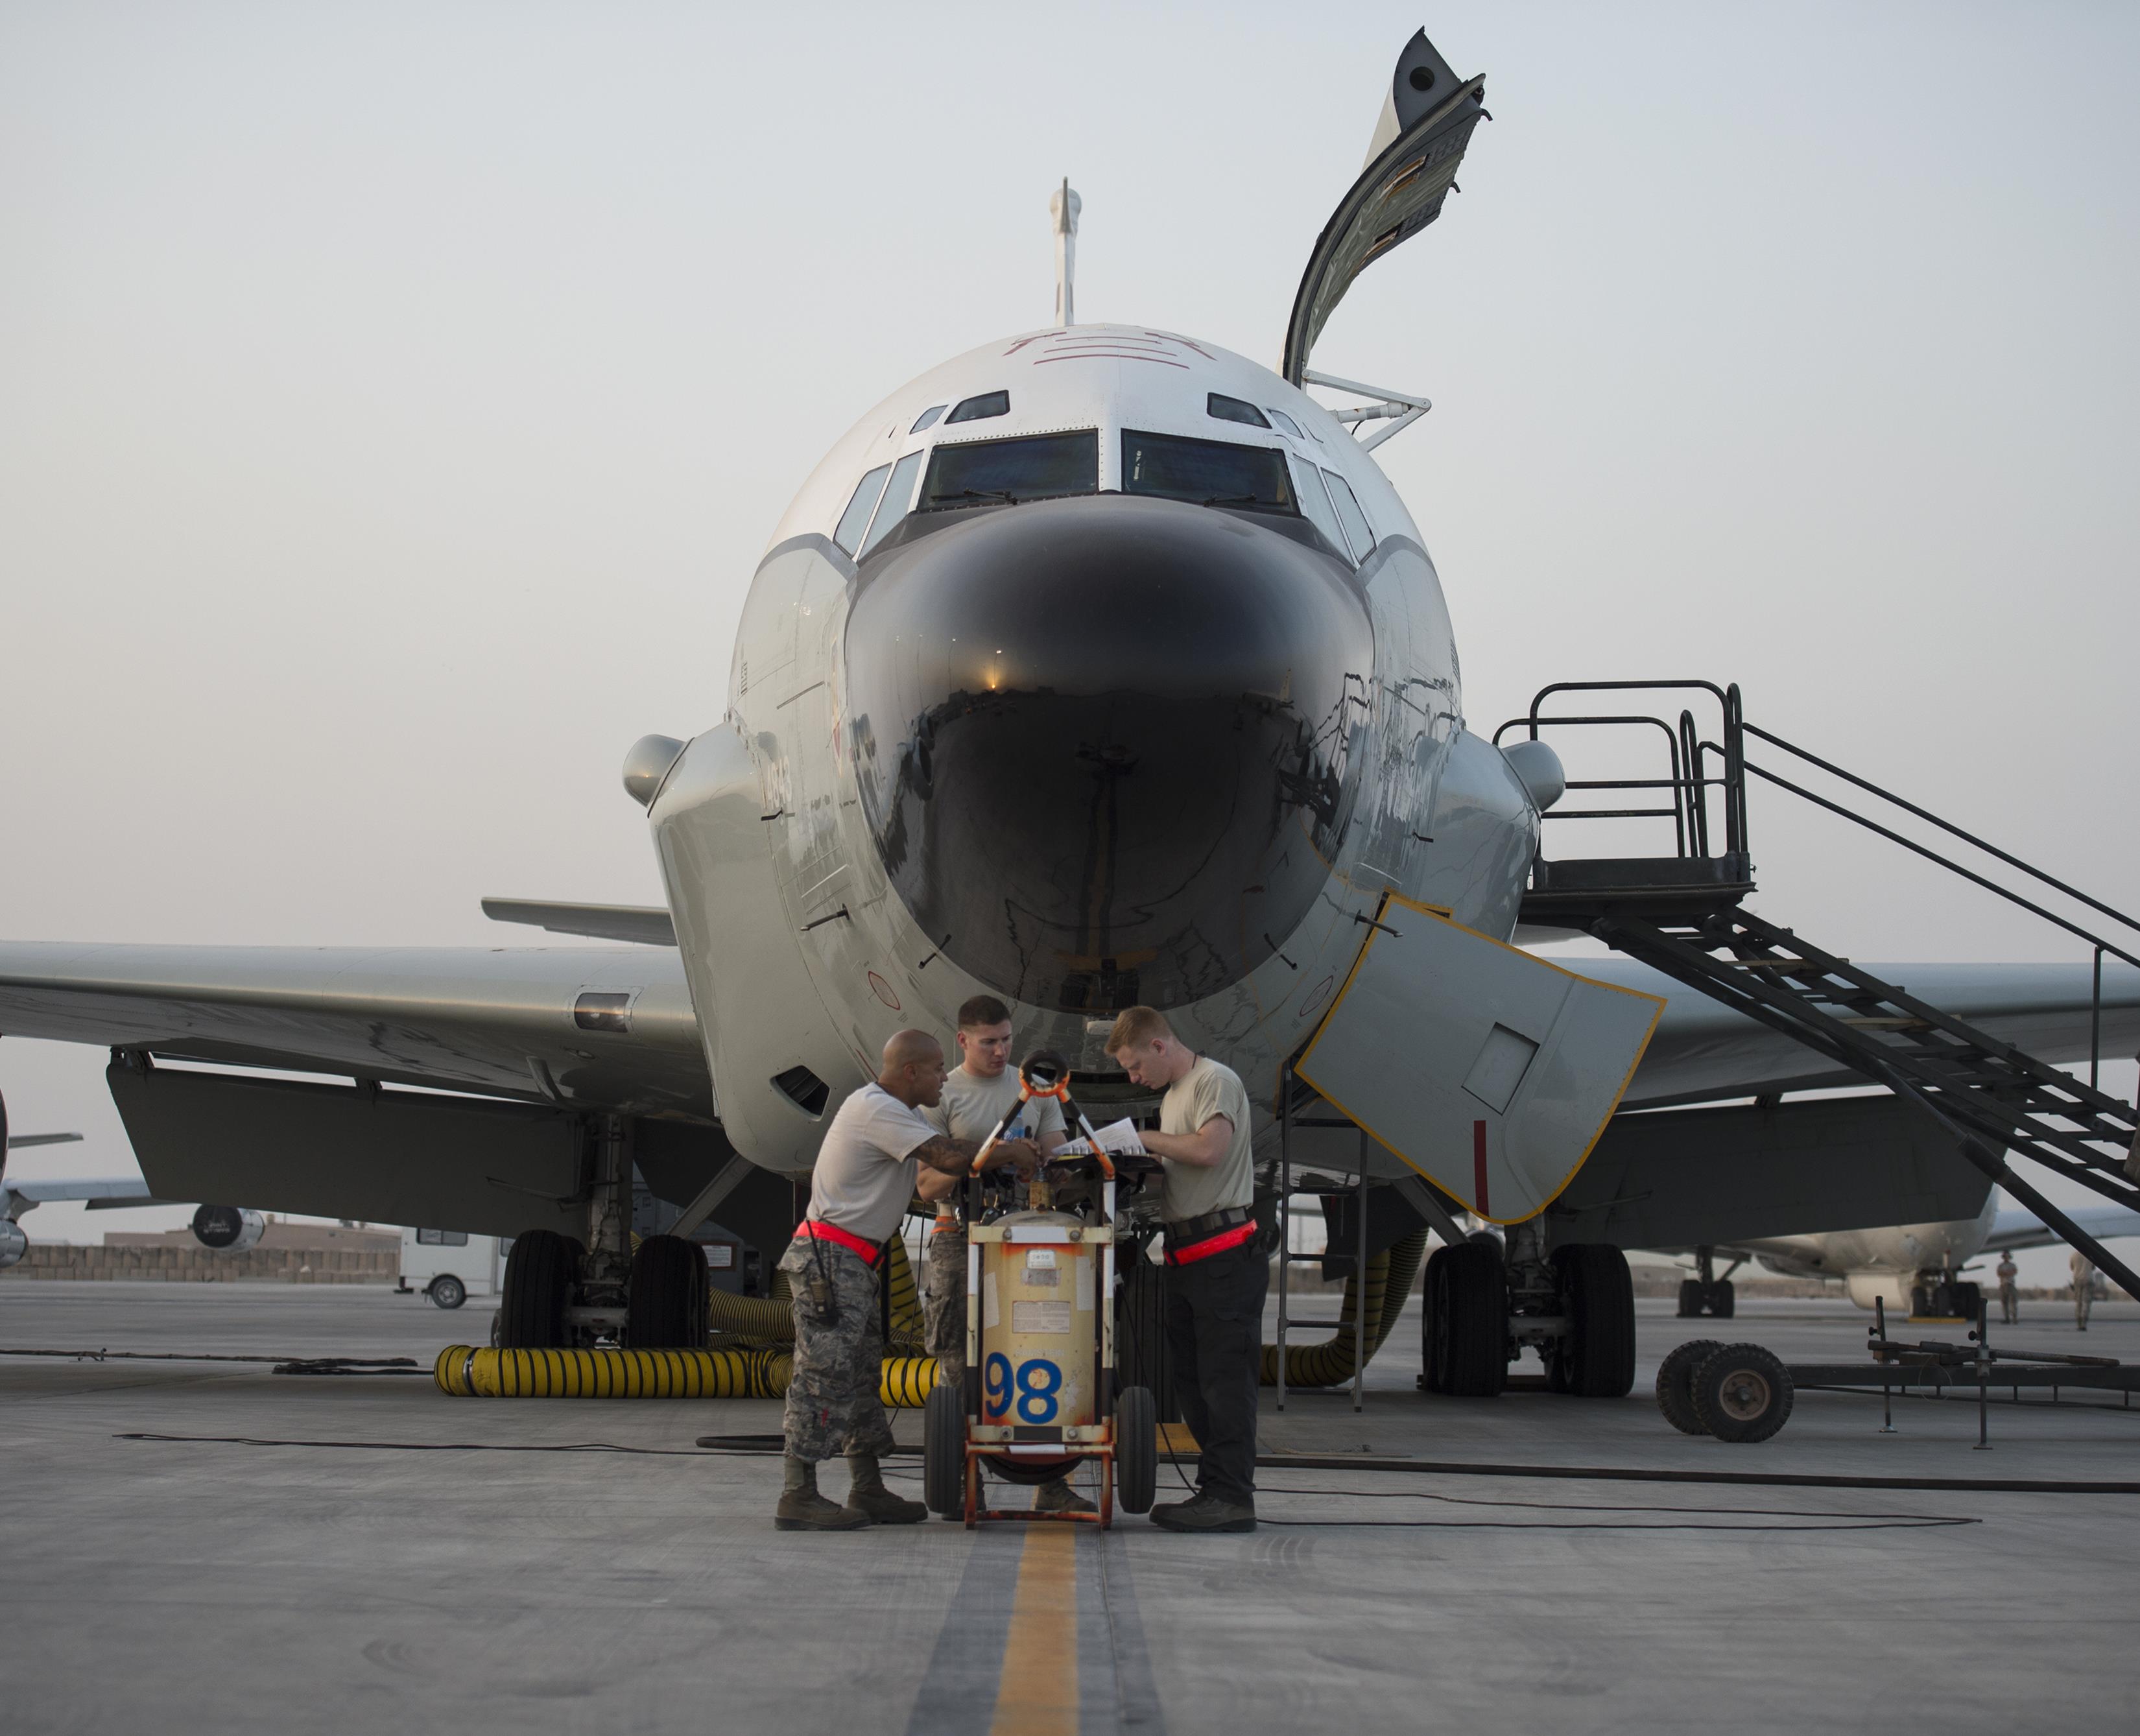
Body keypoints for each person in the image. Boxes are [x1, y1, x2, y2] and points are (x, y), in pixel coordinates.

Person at [776, 1029, 1040, 1532]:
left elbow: (938, 1167)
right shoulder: (876, 1108)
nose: (945, 1078)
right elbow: (949, 1157)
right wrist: (1008, 1152)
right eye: (938, 1069)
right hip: (832, 1260)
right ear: (911, 1071)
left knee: (860, 1377)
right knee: (822, 1373)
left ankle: (867, 1486)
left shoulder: (899, 1113)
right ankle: (798, 1493)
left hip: (853, 1261)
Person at [917, 995, 1088, 1515]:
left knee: (1045, 1348)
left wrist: (1057, 1165)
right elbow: (926, 1184)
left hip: (1029, 1234)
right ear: (963, 1041)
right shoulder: (943, 1094)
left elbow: (1058, 1153)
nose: (1000, 1051)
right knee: (957, 1357)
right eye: (988, 1042)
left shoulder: (1035, 1089)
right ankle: (963, 1480)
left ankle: (1051, 1480)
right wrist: (989, 1156)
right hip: (960, 1232)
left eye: (1007, 1040)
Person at [1106, 1005, 1263, 1535]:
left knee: (1225, 1383)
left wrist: (1146, 1138)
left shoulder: (1213, 1081)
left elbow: (1209, 1150)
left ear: (1159, 1045)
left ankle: (1232, 1496)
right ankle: (1215, 1487)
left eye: (1134, 1066)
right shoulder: (1174, 1096)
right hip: (1188, 1256)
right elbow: (1182, 1162)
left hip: (1222, 1256)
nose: (1133, 1078)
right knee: (1194, 1383)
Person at [2071, 1246, 2096, 1332]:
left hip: (2077, 1279)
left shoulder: (2074, 1255)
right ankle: (2084, 1323)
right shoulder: (2090, 1255)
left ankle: (2079, 1322)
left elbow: (2072, 1267)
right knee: (2086, 1302)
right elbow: (2093, 1268)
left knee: (2079, 1302)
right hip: (2088, 1279)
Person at [1996, 1252, 2019, 1324]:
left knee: (2013, 1302)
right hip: (2003, 1284)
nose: (2006, 1258)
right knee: (2004, 1302)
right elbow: (1999, 1273)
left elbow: (2014, 1272)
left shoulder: (2012, 1265)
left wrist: (2006, 1273)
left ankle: (2014, 1318)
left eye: (2008, 1256)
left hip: (2010, 1284)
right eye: (2005, 1256)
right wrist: (2007, 1273)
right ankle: (2007, 1318)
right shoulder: (2001, 1265)